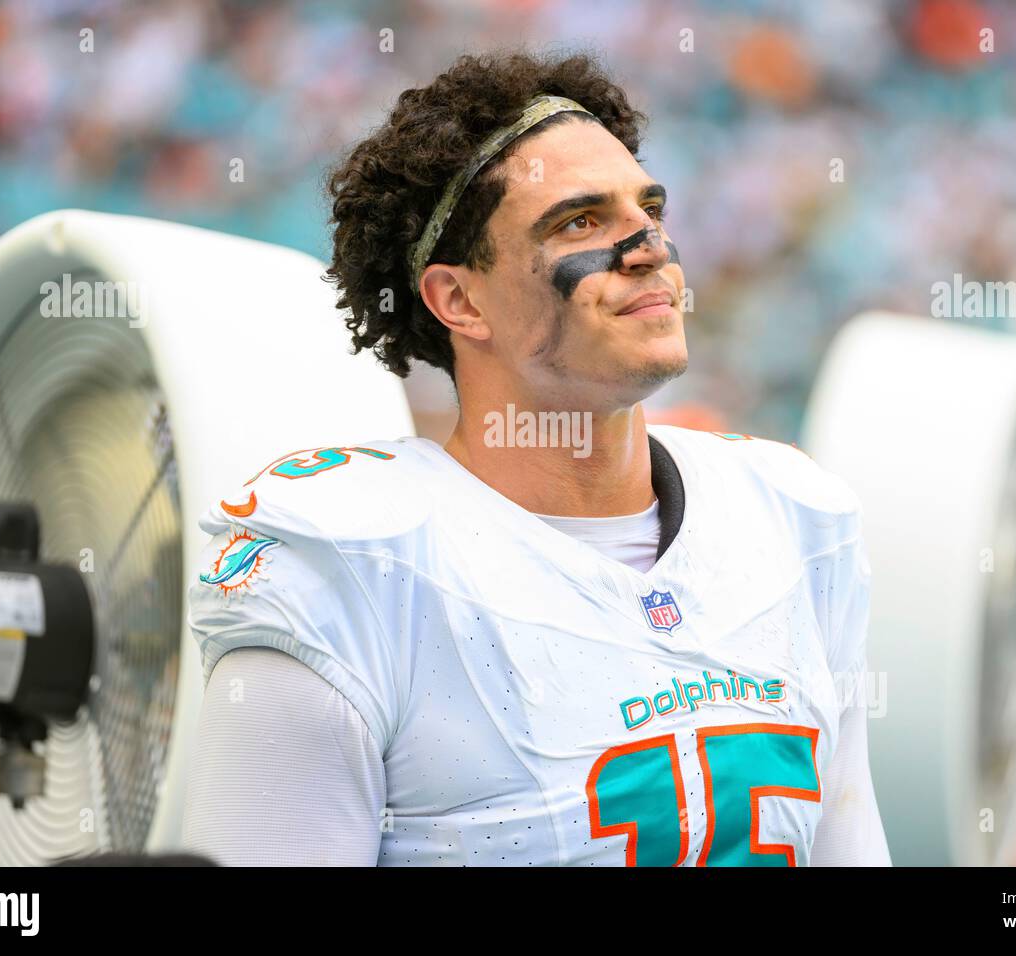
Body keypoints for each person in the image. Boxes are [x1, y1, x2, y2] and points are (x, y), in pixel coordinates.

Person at [181, 48, 890, 866]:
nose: (648, 246)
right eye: (580, 221)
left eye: (648, 208)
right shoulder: (353, 571)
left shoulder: (791, 519)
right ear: (460, 299)